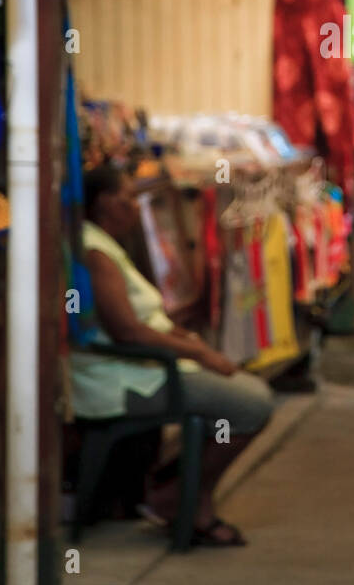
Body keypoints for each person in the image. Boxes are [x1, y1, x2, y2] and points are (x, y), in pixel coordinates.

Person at [70, 165, 275, 546]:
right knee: (253, 405)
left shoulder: (106, 244)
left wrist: (186, 340)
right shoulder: (97, 254)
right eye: (128, 198)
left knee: (241, 398)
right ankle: (183, 497)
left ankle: (179, 488)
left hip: (143, 368)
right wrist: (197, 352)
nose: (135, 207)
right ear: (102, 203)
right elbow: (127, 330)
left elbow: (145, 320)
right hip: (122, 379)